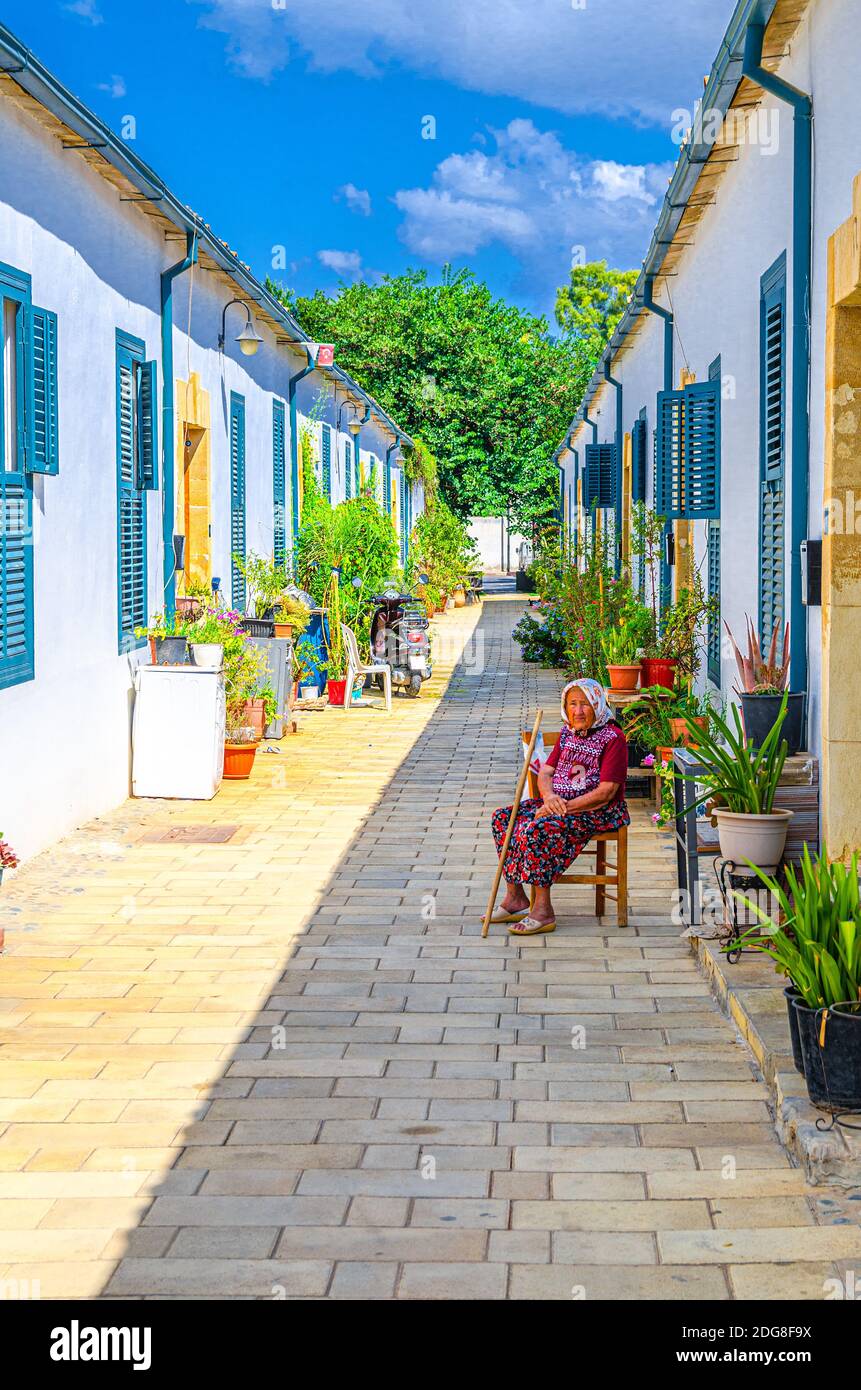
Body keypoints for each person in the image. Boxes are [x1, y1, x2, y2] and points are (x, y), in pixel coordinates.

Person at [490, 678, 630, 935]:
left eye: (585, 704)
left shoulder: (614, 738)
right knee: (502, 818)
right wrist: (549, 797)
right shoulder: (568, 732)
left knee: (540, 828)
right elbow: (546, 773)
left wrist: (561, 807)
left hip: (598, 810)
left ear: (598, 704)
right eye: (573, 704)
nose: (578, 711)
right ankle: (515, 897)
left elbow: (606, 792)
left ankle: (543, 911)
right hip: (559, 802)